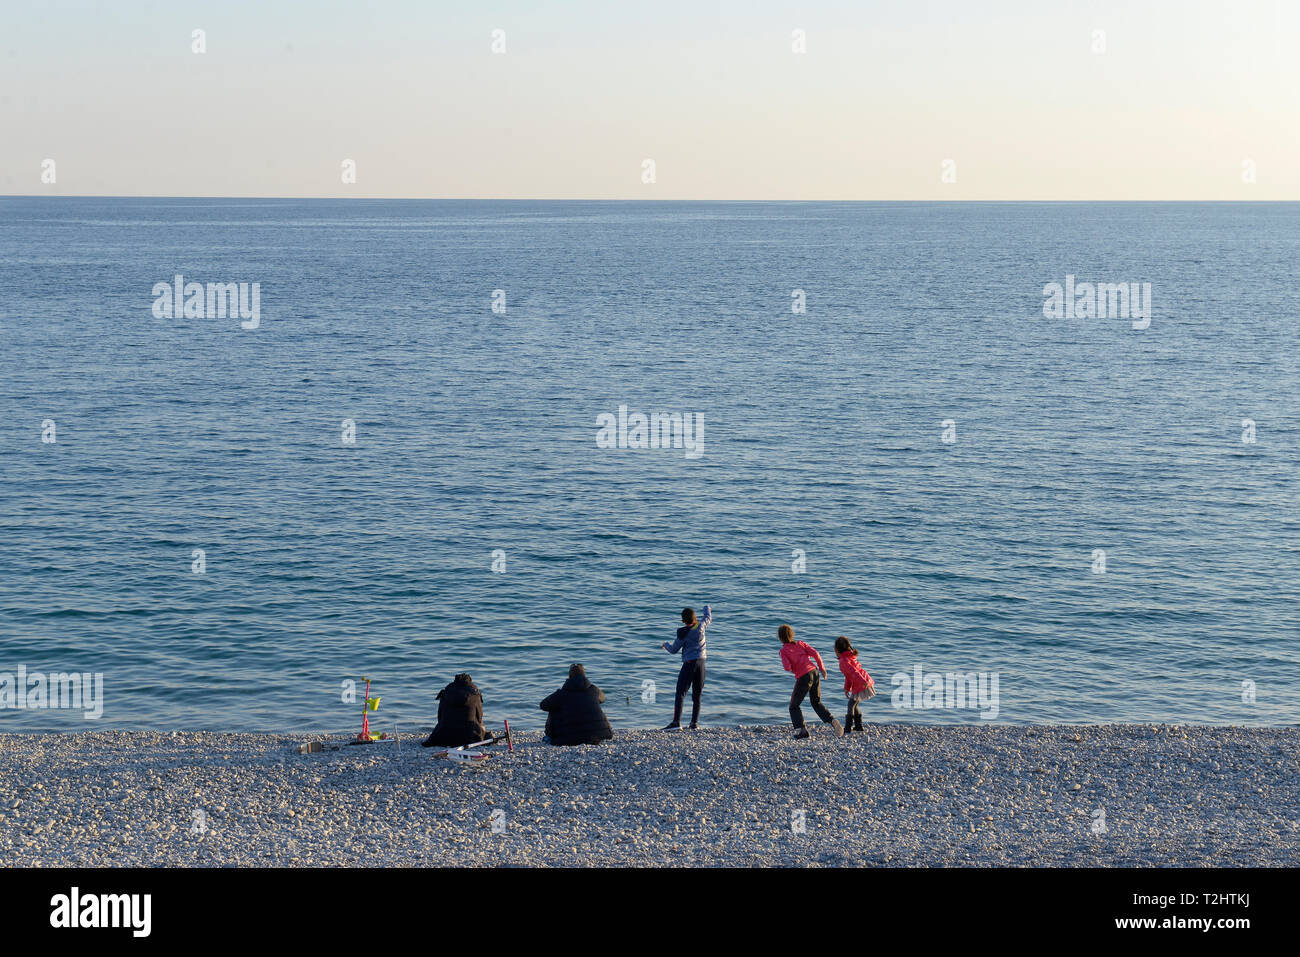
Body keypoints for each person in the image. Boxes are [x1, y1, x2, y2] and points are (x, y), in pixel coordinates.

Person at [778, 624, 843, 739]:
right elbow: (816, 653)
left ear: (780, 637)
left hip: (804, 677)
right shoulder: (801, 643)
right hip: (815, 671)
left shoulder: (783, 651)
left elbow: (787, 667)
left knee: (794, 706)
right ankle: (832, 720)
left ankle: (801, 730)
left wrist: (790, 663)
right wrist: (822, 669)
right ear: (792, 635)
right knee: (816, 702)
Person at [661, 604, 711, 730]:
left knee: (680, 693)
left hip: (689, 665)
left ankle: (676, 722)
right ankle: (694, 723)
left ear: (683, 621)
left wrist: (665, 644)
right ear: (695, 618)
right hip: (701, 664)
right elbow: (708, 617)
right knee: (697, 694)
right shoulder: (701, 626)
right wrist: (707, 607)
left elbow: (673, 650)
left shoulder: (683, 633)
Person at [539, 663, 614, 746]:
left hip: (568, 739)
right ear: (584, 676)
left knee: (553, 708)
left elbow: (543, 705)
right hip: (599, 736)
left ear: (569, 677)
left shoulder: (561, 694)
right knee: (595, 703)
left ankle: (550, 737)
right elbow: (603, 699)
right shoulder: (594, 690)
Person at [422, 673, 489, 747]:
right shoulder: (475, 694)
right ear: (470, 682)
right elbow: (480, 717)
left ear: (455, 681)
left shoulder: (445, 693)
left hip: (444, 737)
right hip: (469, 738)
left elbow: (440, 717)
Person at [834, 635, 875, 733]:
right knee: (855, 705)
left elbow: (854, 672)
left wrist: (862, 682)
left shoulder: (844, 661)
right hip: (863, 681)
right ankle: (858, 726)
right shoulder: (849, 657)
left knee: (851, 704)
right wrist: (847, 688)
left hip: (862, 683)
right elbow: (849, 676)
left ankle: (848, 728)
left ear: (837, 650)